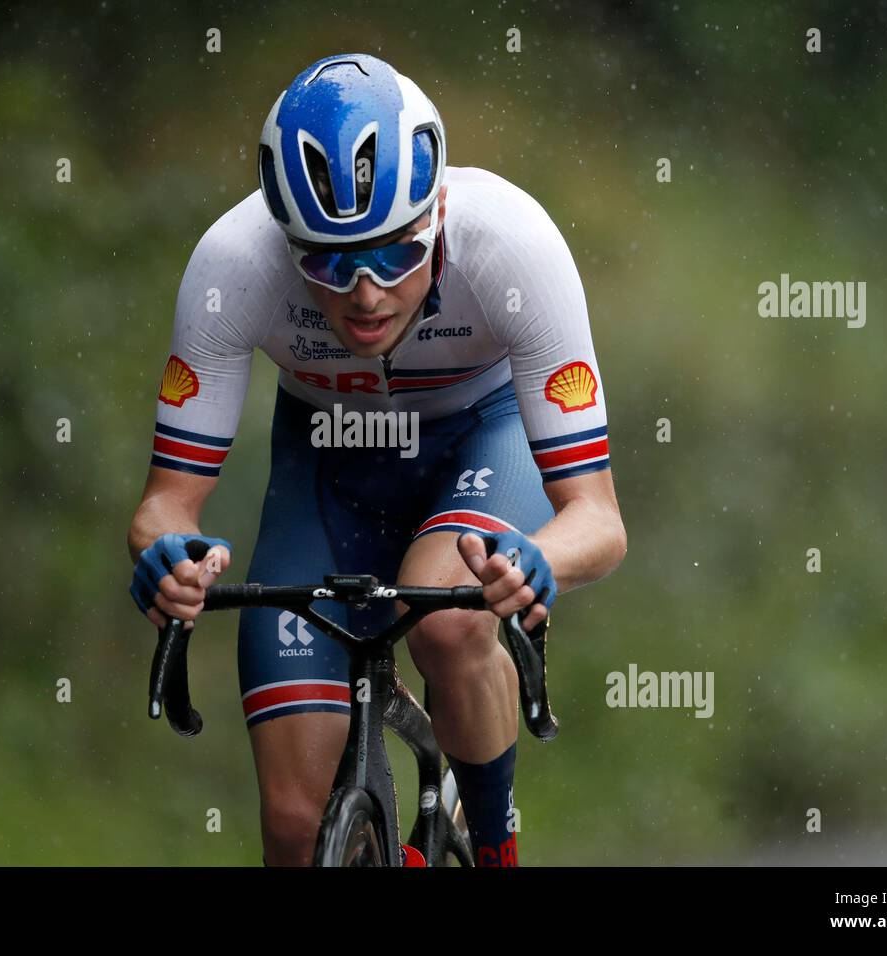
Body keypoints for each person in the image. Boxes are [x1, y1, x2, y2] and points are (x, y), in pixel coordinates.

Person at [127, 53, 626, 866]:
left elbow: (598, 520)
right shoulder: (230, 265)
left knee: (450, 613)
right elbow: (164, 509)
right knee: (293, 832)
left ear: (437, 216)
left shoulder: (514, 245)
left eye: (395, 254)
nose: (365, 294)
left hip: (480, 441)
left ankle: (496, 846)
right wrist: (165, 560)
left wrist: (538, 562)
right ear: (285, 240)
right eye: (328, 262)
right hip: (327, 466)